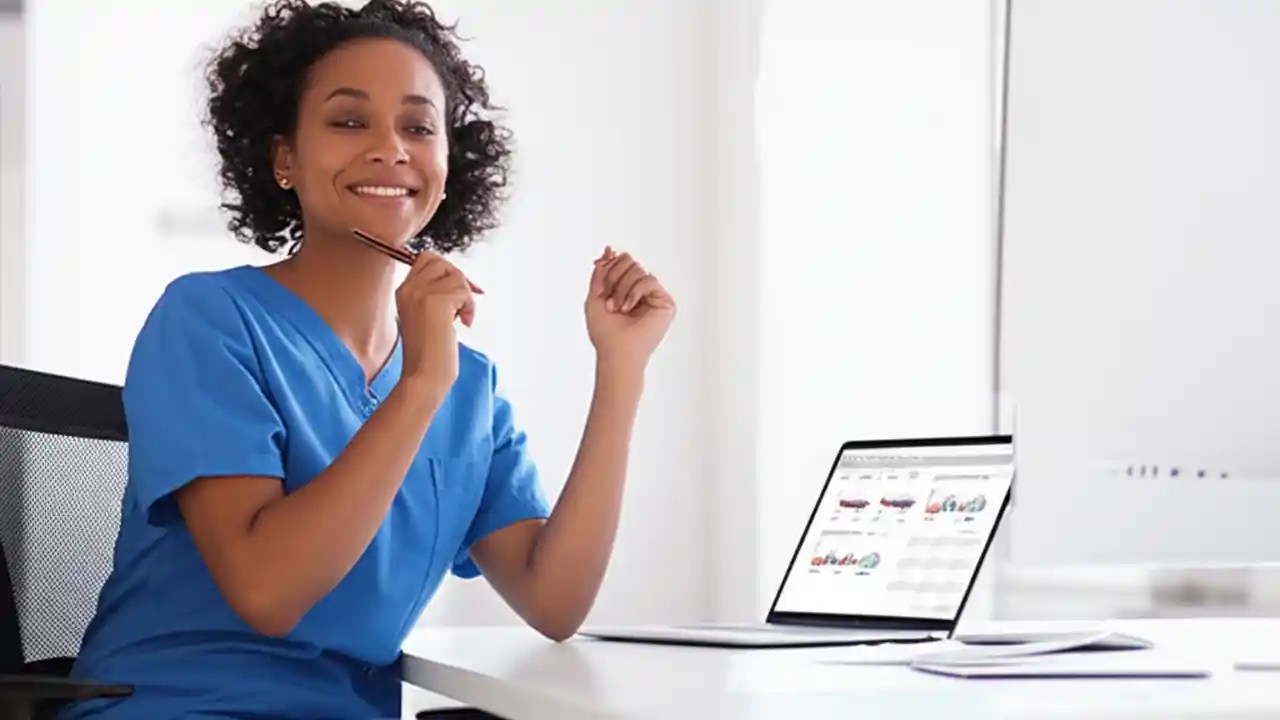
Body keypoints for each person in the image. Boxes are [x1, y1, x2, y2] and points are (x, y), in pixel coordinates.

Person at [65, 0, 675, 717]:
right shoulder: (209, 320)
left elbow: (554, 600)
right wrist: (418, 387)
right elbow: (267, 591)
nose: (391, 148)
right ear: (285, 158)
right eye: (349, 122)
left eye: (418, 127)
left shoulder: (466, 385)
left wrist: (621, 368)